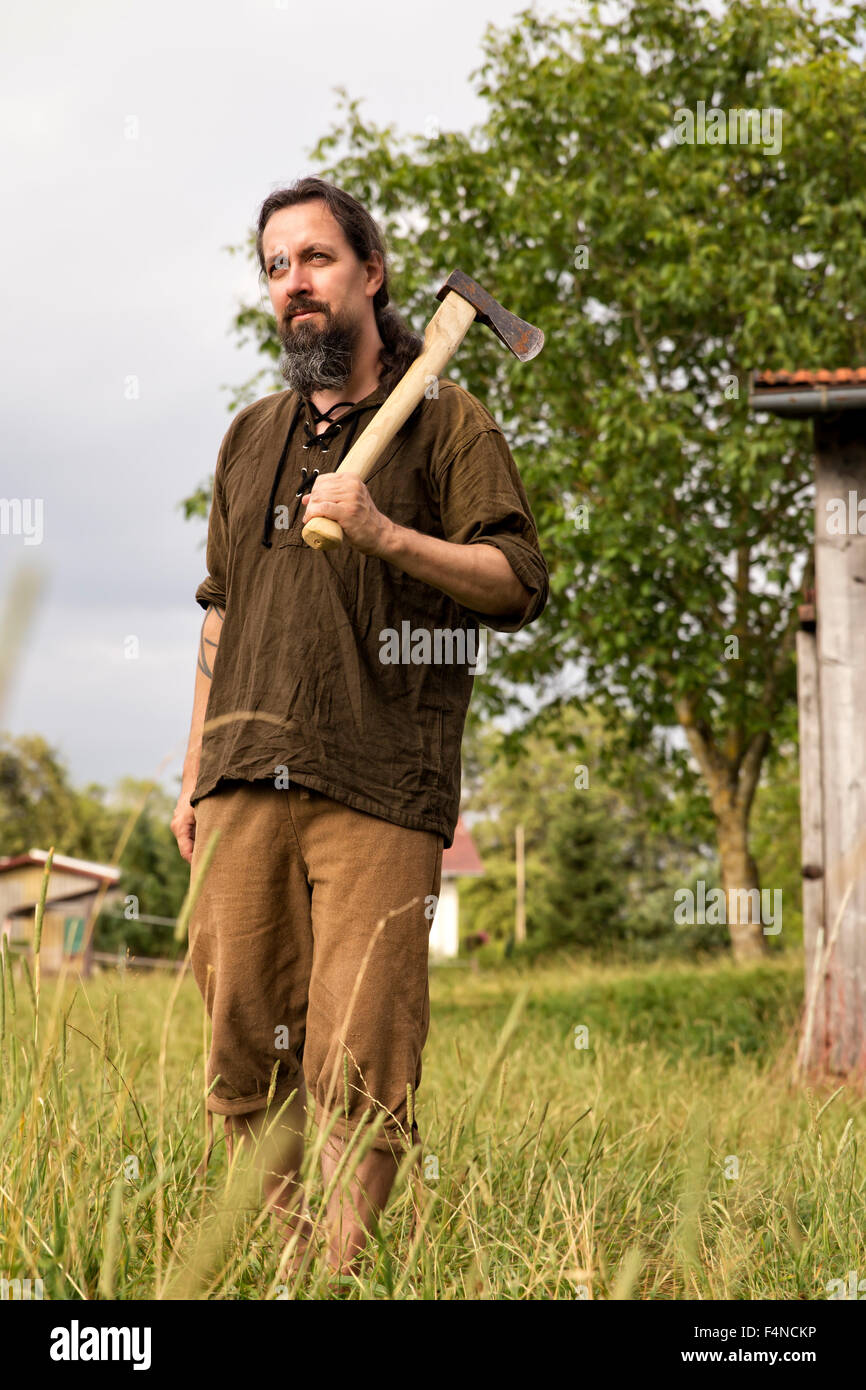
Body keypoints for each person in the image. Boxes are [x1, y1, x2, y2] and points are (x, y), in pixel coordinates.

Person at [171, 176, 549, 1276]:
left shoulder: (445, 419)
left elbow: (515, 577)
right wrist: (194, 770)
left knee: (359, 1052)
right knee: (243, 1041)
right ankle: (289, 1261)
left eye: (316, 259)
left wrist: (382, 530)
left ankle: (342, 1272)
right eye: (275, 266)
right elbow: (220, 610)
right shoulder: (249, 438)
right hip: (241, 772)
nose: (294, 283)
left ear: (372, 274)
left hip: (379, 780)